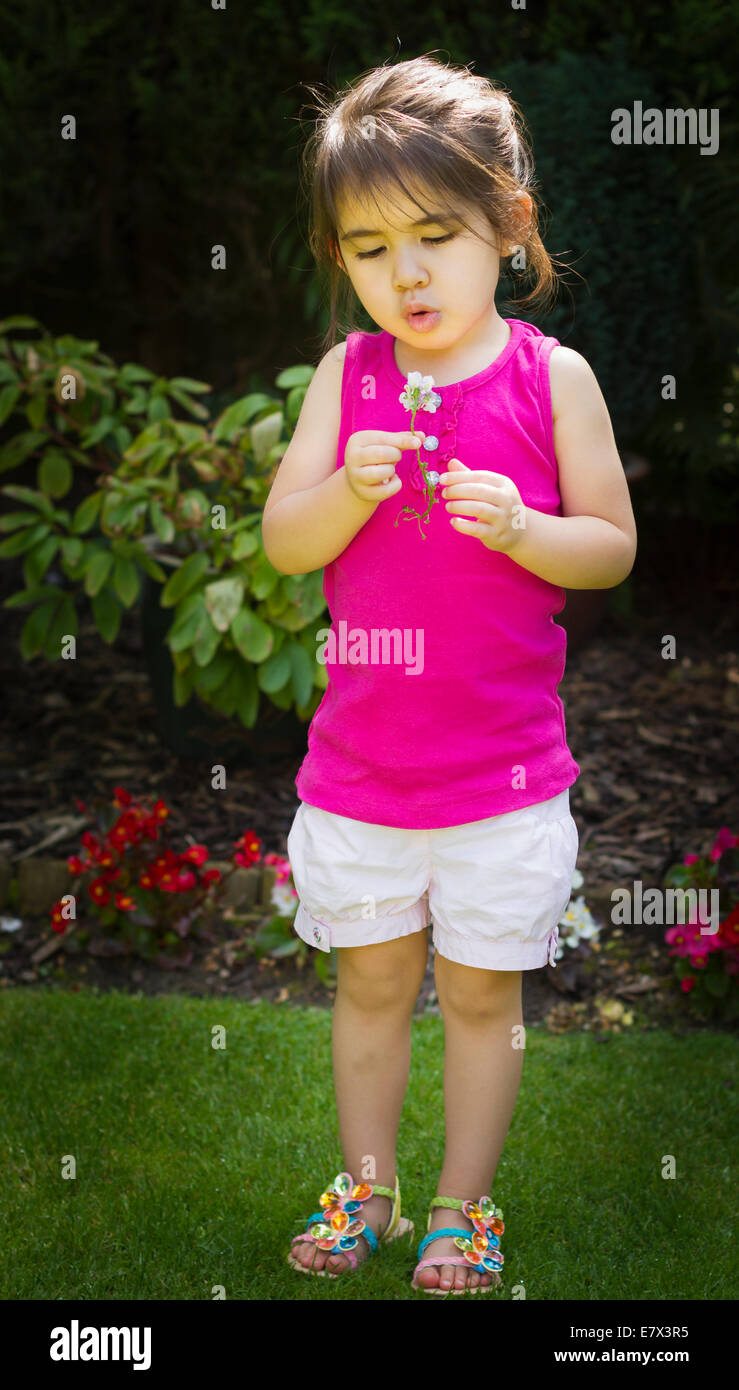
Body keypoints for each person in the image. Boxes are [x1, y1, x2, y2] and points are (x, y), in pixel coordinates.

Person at [262, 54, 637, 1296]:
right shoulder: (348, 379)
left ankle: (458, 1209)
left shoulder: (550, 378)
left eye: (435, 236)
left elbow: (611, 546)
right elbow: (285, 540)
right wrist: (344, 489)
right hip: (364, 774)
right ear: (341, 258)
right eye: (371, 250)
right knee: (370, 985)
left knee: (481, 998)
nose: (407, 275)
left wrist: (524, 529)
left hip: (502, 779)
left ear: (508, 224)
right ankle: (365, 1188)